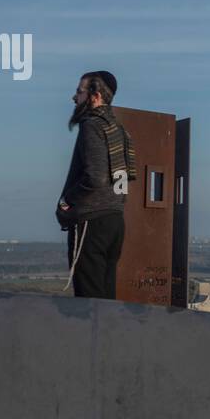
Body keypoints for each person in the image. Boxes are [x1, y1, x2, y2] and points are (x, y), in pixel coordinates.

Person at [57, 70, 137, 300]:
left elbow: (95, 177)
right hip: (114, 221)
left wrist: (66, 201)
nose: (75, 98)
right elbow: (121, 183)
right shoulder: (119, 130)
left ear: (95, 95)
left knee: (89, 302)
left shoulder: (92, 125)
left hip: (91, 223)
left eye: (79, 92)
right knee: (105, 299)